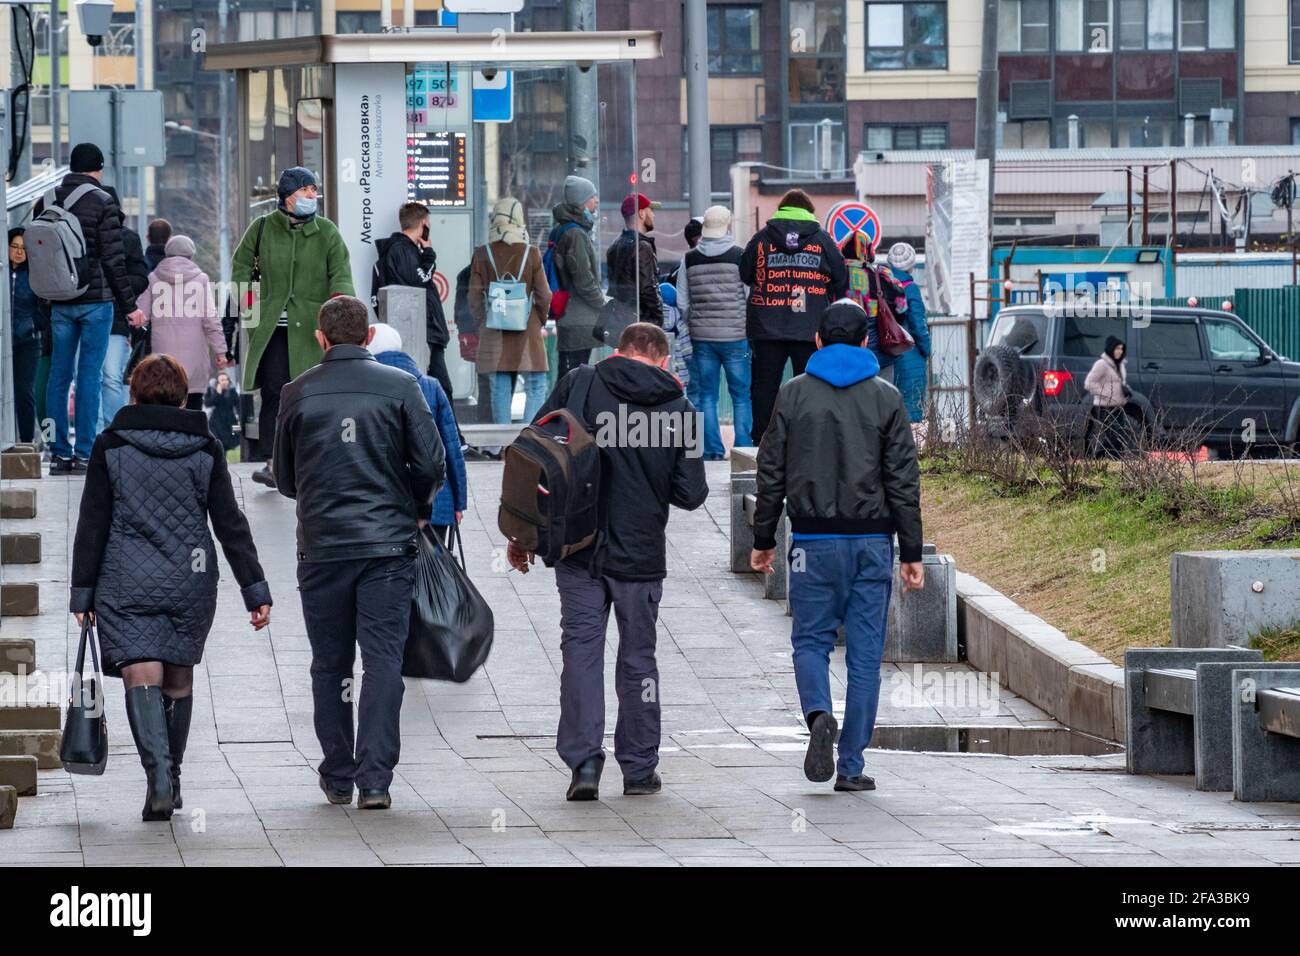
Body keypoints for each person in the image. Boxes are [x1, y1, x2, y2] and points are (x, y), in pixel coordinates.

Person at [509, 323, 709, 801]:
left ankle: (583, 765)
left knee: (581, 652)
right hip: (640, 555)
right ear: (663, 361)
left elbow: (531, 453)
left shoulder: (580, 383)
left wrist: (523, 534)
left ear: (618, 351)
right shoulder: (683, 411)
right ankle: (639, 769)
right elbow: (692, 493)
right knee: (639, 659)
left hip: (577, 549)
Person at [70, 354, 271, 821]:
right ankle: (174, 778)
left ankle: (158, 776)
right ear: (184, 398)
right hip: (190, 581)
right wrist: (255, 590)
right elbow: (230, 523)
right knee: (178, 681)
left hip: (124, 580)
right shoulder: (205, 448)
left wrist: (83, 592)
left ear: (134, 395)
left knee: (142, 672)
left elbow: (92, 522)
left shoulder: (110, 445)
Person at [273, 296, 445, 810]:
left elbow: (284, 479)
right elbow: (431, 462)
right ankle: (376, 779)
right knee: (383, 659)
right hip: (388, 546)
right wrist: (413, 506)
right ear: (369, 337)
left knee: (330, 664)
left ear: (321, 338)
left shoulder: (296, 393)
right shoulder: (401, 386)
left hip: (323, 547)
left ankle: (338, 773)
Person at [751, 299, 924, 792]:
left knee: (810, 641)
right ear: (867, 341)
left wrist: (763, 539)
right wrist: (911, 553)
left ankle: (819, 715)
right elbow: (904, 482)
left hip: (810, 541)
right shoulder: (887, 397)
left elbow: (771, 473)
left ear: (818, 341)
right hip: (872, 543)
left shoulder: (793, 393)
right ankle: (850, 765)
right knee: (866, 656)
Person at [231, 165, 354, 488]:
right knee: (275, 394)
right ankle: (273, 463)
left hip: (314, 331)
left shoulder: (327, 232)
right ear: (288, 196)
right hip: (272, 329)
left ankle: (309, 461)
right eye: (306, 190)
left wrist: (339, 312)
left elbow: (340, 272)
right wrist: (251, 311)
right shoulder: (261, 229)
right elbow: (241, 268)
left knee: (312, 394)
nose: (313, 195)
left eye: (314, 189)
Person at [36, 143, 145, 472]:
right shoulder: (102, 201)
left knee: (58, 376)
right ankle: (84, 452)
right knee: (88, 378)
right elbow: (114, 260)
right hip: (96, 302)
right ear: (98, 169)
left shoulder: (46, 199)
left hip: (59, 301)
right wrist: (130, 307)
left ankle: (58, 452)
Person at [740, 188, 848, 445]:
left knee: (764, 389)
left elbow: (745, 274)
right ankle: (810, 440)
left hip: (766, 327)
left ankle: (762, 443)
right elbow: (841, 279)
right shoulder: (822, 240)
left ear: (781, 208)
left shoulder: (761, 238)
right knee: (812, 386)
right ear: (810, 212)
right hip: (810, 326)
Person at [367, 321, 466, 545]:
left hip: (384, 505)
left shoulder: (367, 389)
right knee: (433, 572)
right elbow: (451, 448)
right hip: (438, 502)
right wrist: (458, 503)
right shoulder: (431, 386)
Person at [675, 205, 751, 460]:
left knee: (707, 395)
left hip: (702, 338)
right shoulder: (740, 255)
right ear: (727, 225)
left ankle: (712, 451)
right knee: (740, 395)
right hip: (736, 336)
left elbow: (682, 303)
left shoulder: (689, 258)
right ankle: (742, 449)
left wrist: (696, 322)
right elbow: (749, 295)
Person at [469, 196, 552, 424]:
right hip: (528, 329)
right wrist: (540, 320)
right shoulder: (531, 252)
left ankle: (502, 443)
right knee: (536, 385)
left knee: (500, 387)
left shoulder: (483, 253)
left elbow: (474, 295)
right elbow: (544, 294)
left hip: (495, 331)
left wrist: (485, 320)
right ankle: (527, 439)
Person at [134, 235, 228, 411]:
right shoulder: (200, 279)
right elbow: (210, 318)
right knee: (193, 405)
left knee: (164, 403)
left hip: (163, 357)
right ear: (191, 255)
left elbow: (140, 315)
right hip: (194, 356)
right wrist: (221, 351)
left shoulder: (154, 278)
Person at [373, 201, 454, 403]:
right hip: (422, 333)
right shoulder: (403, 250)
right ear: (424, 224)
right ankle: (449, 435)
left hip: (418, 332)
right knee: (441, 389)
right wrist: (429, 254)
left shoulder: (397, 251)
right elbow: (419, 280)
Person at [97, 184, 152, 432]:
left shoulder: (128, 239)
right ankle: (95, 434)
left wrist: (114, 288)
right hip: (101, 313)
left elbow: (141, 276)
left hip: (116, 317)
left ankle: (112, 430)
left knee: (110, 376)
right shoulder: (84, 236)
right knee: (94, 378)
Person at [550, 175, 606, 378]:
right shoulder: (576, 234)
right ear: (582, 202)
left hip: (568, 315)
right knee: (575, 377)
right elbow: (583, 279)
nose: (596, 201)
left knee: (568, 375)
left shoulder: (561, 230)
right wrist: (603, 304)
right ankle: (569, 411)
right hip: (579, 319)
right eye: (593, 197)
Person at [839, 231, 910, 386]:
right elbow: (901, 308)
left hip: (842, 351)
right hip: (878, 351)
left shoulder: (834, 274)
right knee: (881, 402)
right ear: (868, 250)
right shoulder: (881, 274)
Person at [884, 242, 932, 422]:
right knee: (912, 409)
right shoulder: (910, 288)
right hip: (909, 352)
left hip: (886, 352)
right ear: (911, 265)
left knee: (890, 411)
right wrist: (926, 349)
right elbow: (918, 323)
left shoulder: (881, 283)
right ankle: (913, 450)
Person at [606, 192, 663, 328]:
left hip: (622, 320)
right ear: (642, 213)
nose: (653, 215)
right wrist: (659, 317)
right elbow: (647, 288)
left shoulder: (614, 246)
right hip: (642, 322)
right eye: (651, 211)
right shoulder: (642, 246)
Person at [8, 228, 40, 443]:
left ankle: (27, 442)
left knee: (24, 392)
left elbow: (42, 307)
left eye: (24, 248)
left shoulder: (35, 275)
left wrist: (34, 326)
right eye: (15, 247)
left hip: (27, 341)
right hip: (4, 340)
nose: (19, 252)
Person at [1084, 335, 1132, 458]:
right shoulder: (1101, 364)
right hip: (1104, 406)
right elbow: (1089, 383)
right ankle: (1097, 458)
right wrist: (1107, 395)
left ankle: (1115, 461)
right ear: (1110, 349)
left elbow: (1118, 382)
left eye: (1121, 349)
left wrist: (1126, 390)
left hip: (1118, 405)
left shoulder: (1120, 364)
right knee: (1111, 436)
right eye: (1117, 348)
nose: (1119, 351)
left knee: (1119, 435)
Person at [205, 371, 241, 451]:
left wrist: (240, 418)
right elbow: (208, 403)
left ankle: (223, 459)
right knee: (218, 442)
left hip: (229, 420)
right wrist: (218, 393)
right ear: (218, 382)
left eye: (226, 380)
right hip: (216, 421)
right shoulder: (212, 390)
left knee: (229, 442)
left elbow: (238, 405)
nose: (224, 382)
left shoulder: (232, 391)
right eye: (222, 380)